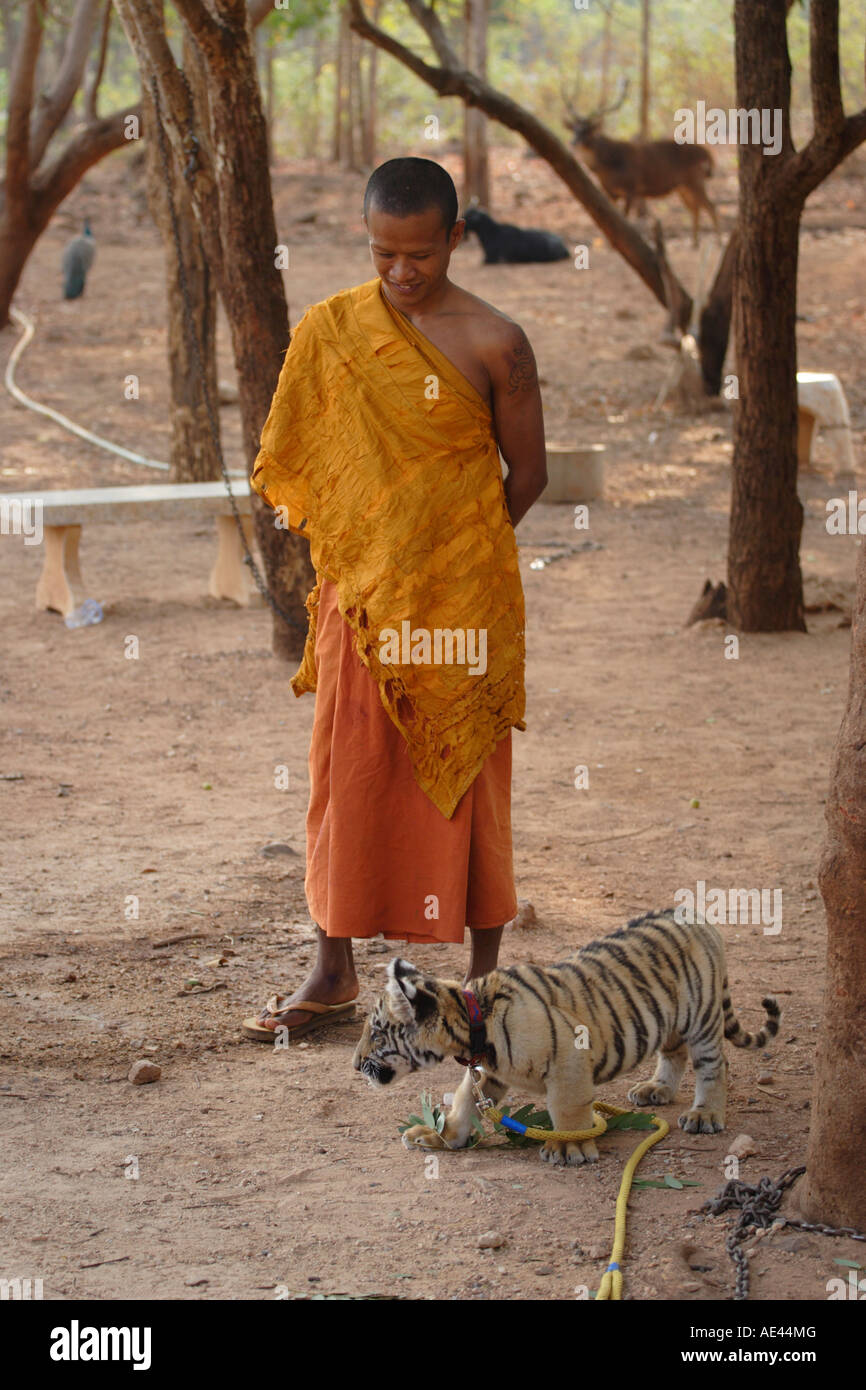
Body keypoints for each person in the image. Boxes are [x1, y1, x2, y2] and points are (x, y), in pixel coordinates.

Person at [242, 157, 547, 1042]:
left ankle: (489, 985)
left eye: (419, 254)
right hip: (362, 604)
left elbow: (525, 474)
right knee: (349, 773)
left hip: (464, 605)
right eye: (383, 255)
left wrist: (457, 556)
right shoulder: (334, 330)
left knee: (472, 781)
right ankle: (331, 968)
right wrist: (384, 555)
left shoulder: (498, 342)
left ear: (455, 237)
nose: (401, 273)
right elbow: (304, 456)